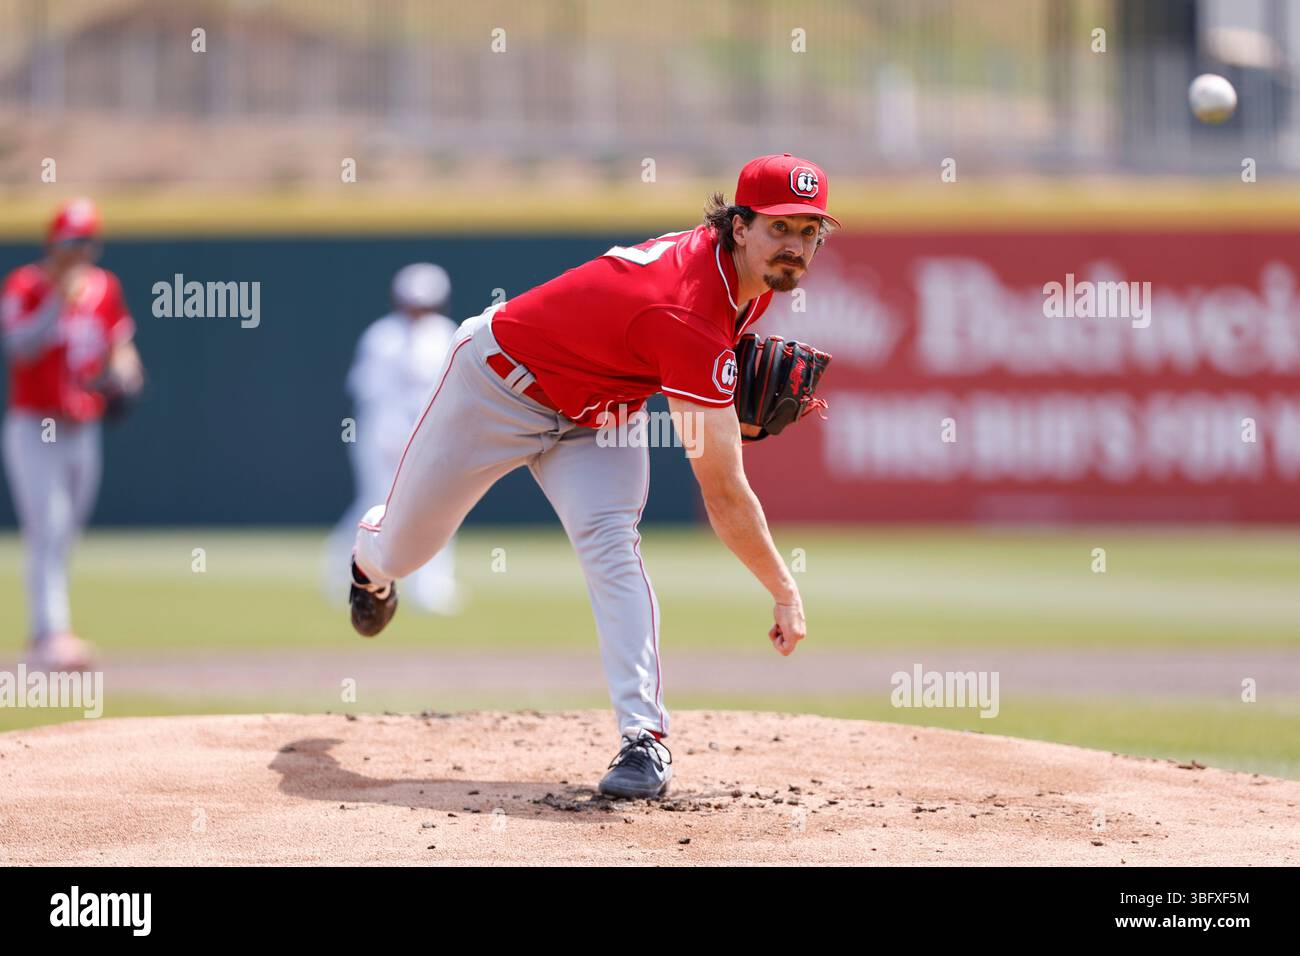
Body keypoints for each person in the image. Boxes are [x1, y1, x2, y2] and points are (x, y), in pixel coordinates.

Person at [348, 154, 838, 798]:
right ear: (739, 226)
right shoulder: (689, 312)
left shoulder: (736, 281)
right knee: (405, 551)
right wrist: (783, 588)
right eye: (781, 227)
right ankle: (368, 561)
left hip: (599, 416)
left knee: (612, 547)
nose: (796, 246)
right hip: (497, 385)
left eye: (809, 231)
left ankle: (644, 739)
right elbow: (722, 490)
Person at [2, 198, 144, 671]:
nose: (79, 252)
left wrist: (127, 374)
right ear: (54, 243)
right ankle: (51, 633)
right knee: (49, 526)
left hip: (82, 424)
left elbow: (119, 346)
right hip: (34, 424)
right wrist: (55, 302)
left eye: (86, 242)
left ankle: (47, 629)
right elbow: (18, 347)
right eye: (71, 242)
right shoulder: (25, 285)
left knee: (67, 530)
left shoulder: (104, 288)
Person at [325, 263, 461, 614]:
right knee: (374, 504)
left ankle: (431, 587)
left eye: (425, 302)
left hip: (427, 437)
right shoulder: (382, 336)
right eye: (412, 301)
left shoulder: (446, 333)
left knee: (437, 508)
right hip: (381, 435)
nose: (418, 309)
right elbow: (368, 391)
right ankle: (342, 573)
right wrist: (391, 435)